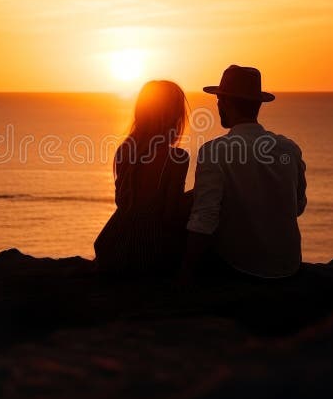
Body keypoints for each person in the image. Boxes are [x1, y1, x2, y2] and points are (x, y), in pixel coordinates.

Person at [179, 65, 307, 281]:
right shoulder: (289, 148)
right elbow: (298, 207)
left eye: (219, 100)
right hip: (289, 266)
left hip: (241, 267)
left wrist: (185, 275)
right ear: (258, 105)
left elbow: (204, 219)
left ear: (225, 103)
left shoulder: (215, 151)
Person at [94, 80, 193, 276]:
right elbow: (170, 215)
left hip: (114, 245)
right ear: (175, 116)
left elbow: (122, 202)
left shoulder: (125, 149)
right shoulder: (177, 158)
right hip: (149, 252)